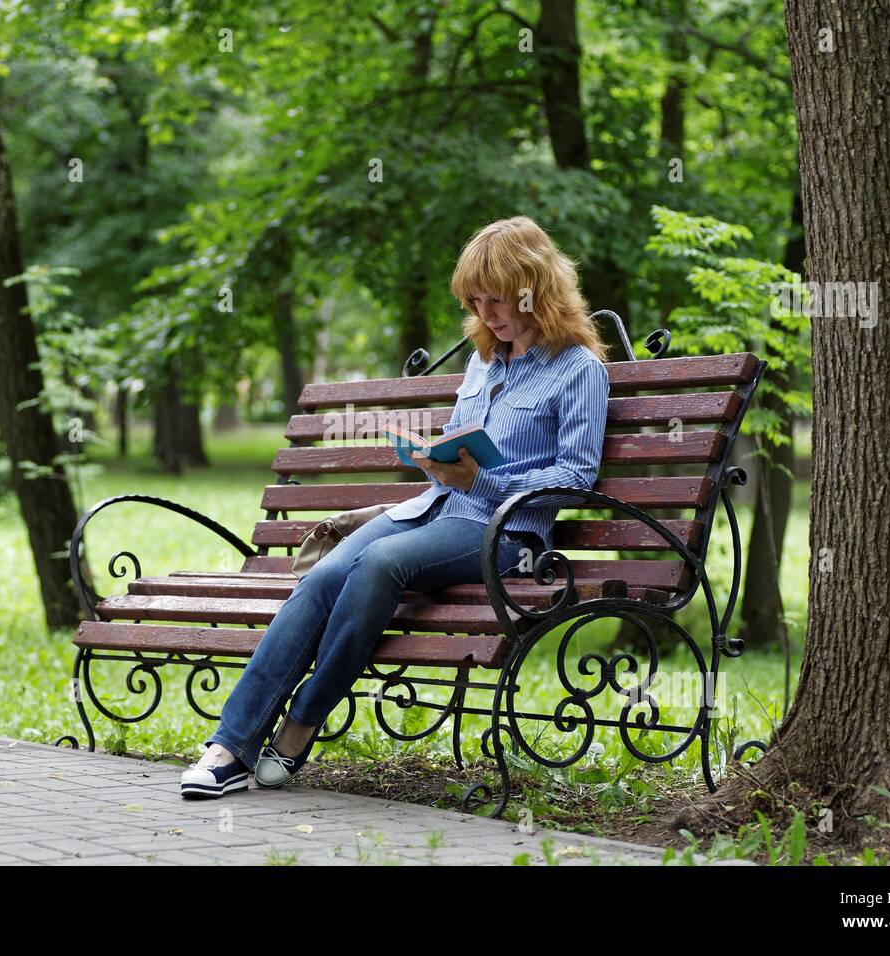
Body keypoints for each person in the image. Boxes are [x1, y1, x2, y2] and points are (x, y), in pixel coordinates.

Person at [180, 215, 611, 798]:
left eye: (498, 300)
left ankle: (301, 724)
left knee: (381, 565)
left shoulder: (578, 369)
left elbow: (577, 477)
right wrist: (435, 457)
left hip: (503, 531)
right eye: (476, 301)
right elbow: (461, 440)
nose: (486, 314)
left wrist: (479, 479)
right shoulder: (484, 361)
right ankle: (230, 746)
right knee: (325, 575)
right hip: (436, 506)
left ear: (536, 287)